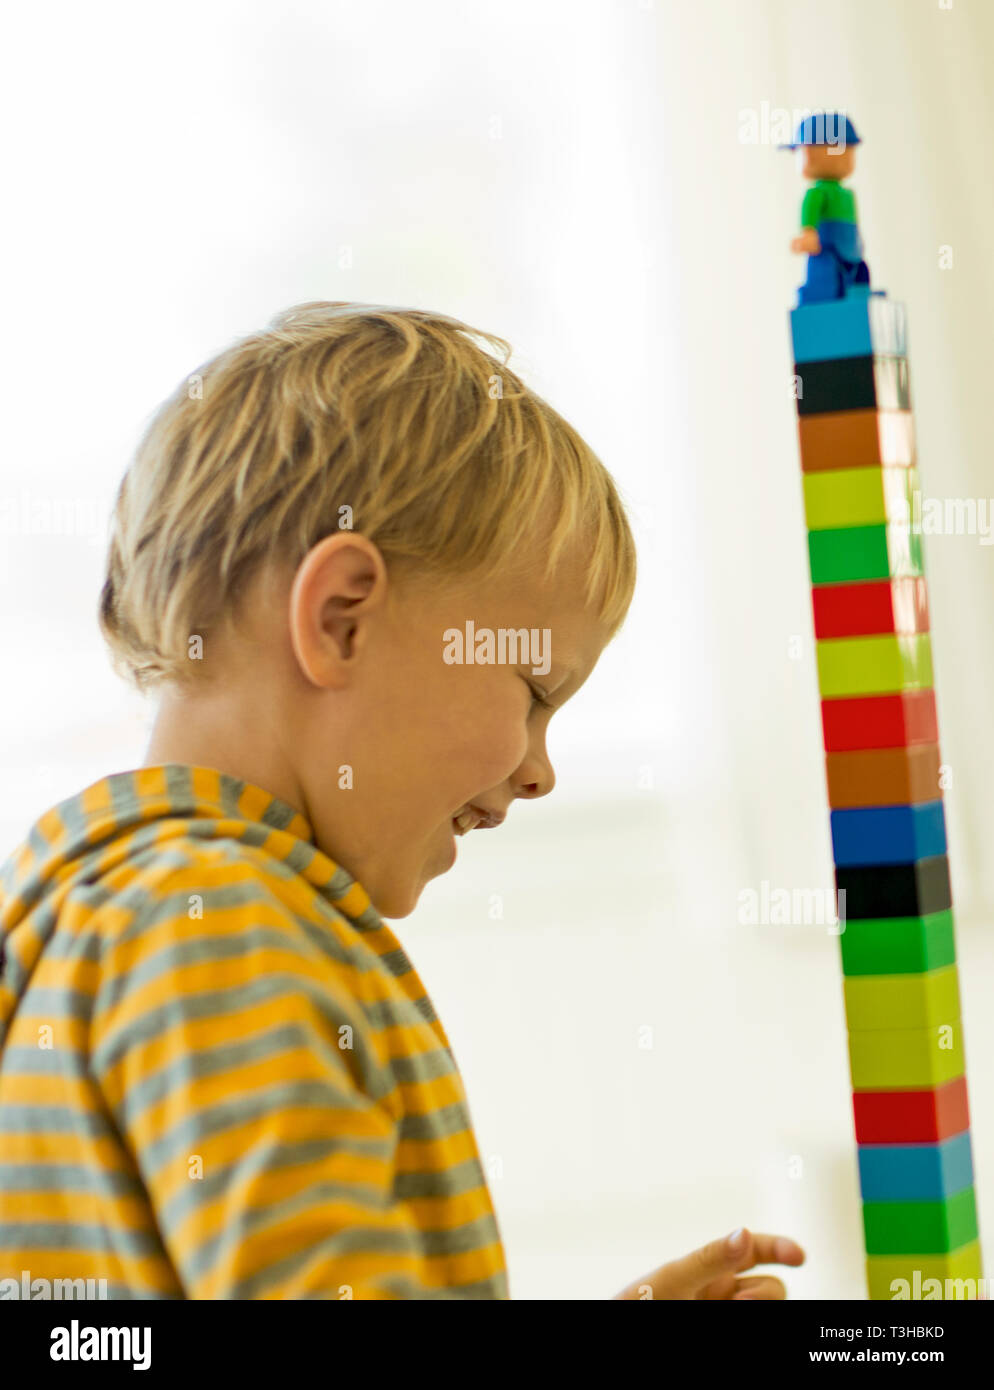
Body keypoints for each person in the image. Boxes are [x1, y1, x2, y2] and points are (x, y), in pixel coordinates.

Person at [0, 302, 805, 1299]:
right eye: (535, 692)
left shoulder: (108, 912)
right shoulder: (220, 925)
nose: (539, 770)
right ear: (342, 618)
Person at [782, 112, 871, 305]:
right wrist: (808, 233)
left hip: (851, 251)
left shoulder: (846, 194)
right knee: (825, 285)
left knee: (858, 279)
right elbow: (809, 214)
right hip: (827, 252)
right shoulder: (816, 193)